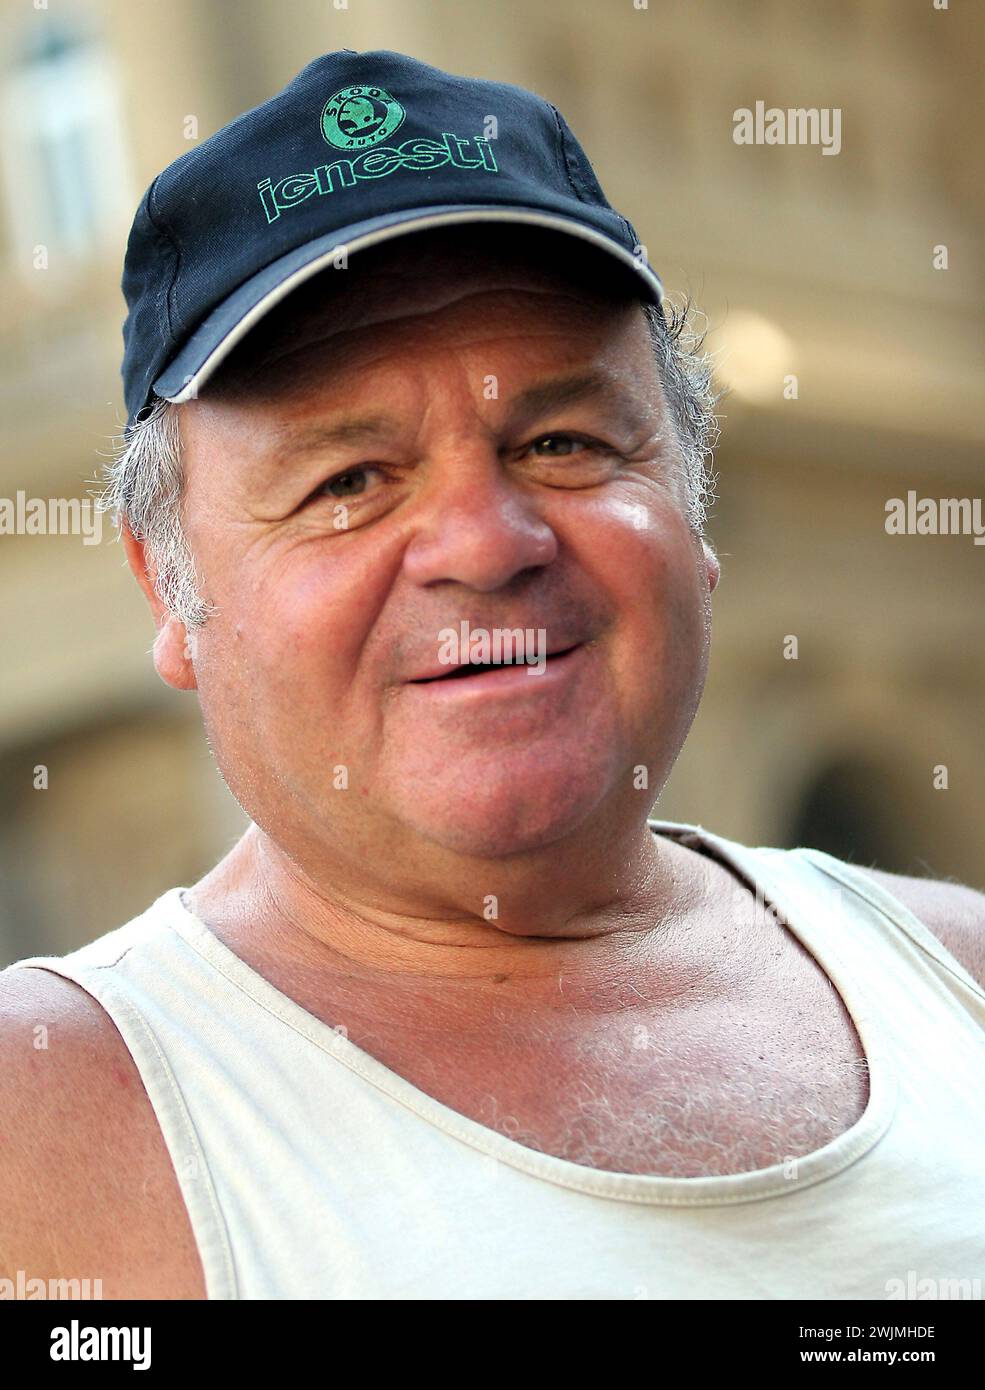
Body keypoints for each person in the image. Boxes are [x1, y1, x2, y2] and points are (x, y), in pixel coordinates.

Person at [2, 49, 983, 1303]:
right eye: (347, 482)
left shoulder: (958, 978)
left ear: (692, 502)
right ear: (171, 591)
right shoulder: (44, 1125)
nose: (485, 542)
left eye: (563, 441)